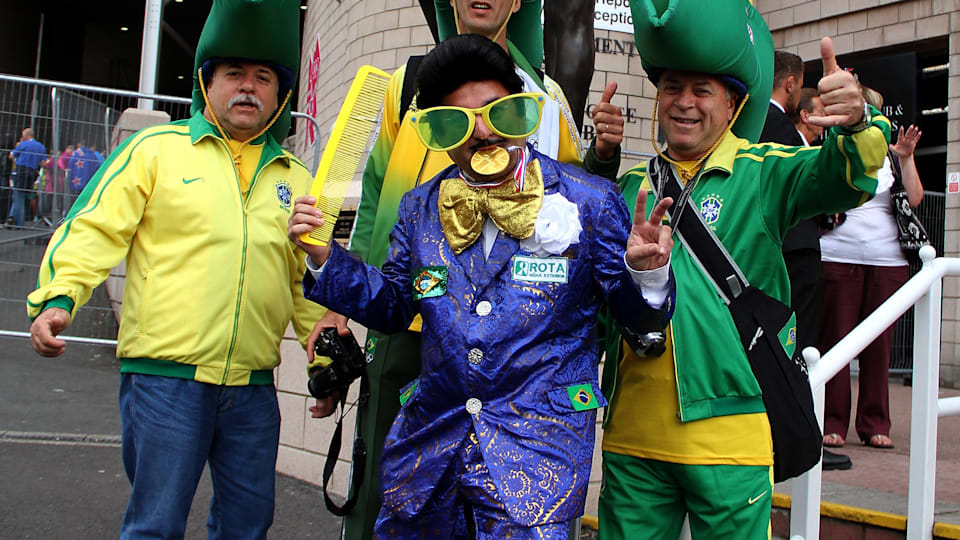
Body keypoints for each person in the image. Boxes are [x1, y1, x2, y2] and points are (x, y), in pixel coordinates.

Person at [290, 33, 675, 539]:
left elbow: (637, 325)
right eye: (458, 120)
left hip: (538, 461)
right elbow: (392, 307)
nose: (482, 133)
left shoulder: (590, 201)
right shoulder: (419, 207)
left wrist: (645, 276)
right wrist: (324, 259)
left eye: (496, 113)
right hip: (428, 455)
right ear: (440, 133)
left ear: (519, 114)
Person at [26, 0, 326, 537]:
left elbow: (304, 280)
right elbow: (95, 227)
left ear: (281, 96)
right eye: (234, 73)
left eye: (263, 78)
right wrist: (58, 296)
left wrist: (321, 359)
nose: (248, 88)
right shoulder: (155, 150)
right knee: (155, 526)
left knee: (247, 525)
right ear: (206, 83)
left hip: (252, 390)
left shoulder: (296, 176)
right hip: (166, 382)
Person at [598, 36, 891, 539]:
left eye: (702, 90)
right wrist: (600, 161)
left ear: (733, 104)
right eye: (672, 88)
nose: (685, 102)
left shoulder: (766, 171)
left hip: (732, 442)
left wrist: (860, 124)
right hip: (632, 443)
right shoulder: (629, 189)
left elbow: (844, 178)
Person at [760, 54, 852, 472]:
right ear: (793, 83)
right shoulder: (777, 128)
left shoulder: (754, 122)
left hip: (782, 253)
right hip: (793, 254)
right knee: (801, 349)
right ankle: (801, 434)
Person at [820, 86, 924, 451]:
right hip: (837, 254)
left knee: (880, 346)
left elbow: (913, 200)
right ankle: (832, 422)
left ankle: (875, 424)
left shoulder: (893, 157)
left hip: (887, 260)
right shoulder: (833, 149)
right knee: (836, 340)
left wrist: (907, 158)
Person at [9, 128, 47, 228]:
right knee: (22, 196)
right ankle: (11, 217)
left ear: (26, 135)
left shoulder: (22, 144)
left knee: (18, 196)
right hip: (32, 173)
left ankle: (18, 223)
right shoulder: (41, 146)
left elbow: (11, 156)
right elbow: (43, 163)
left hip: (21, 171)